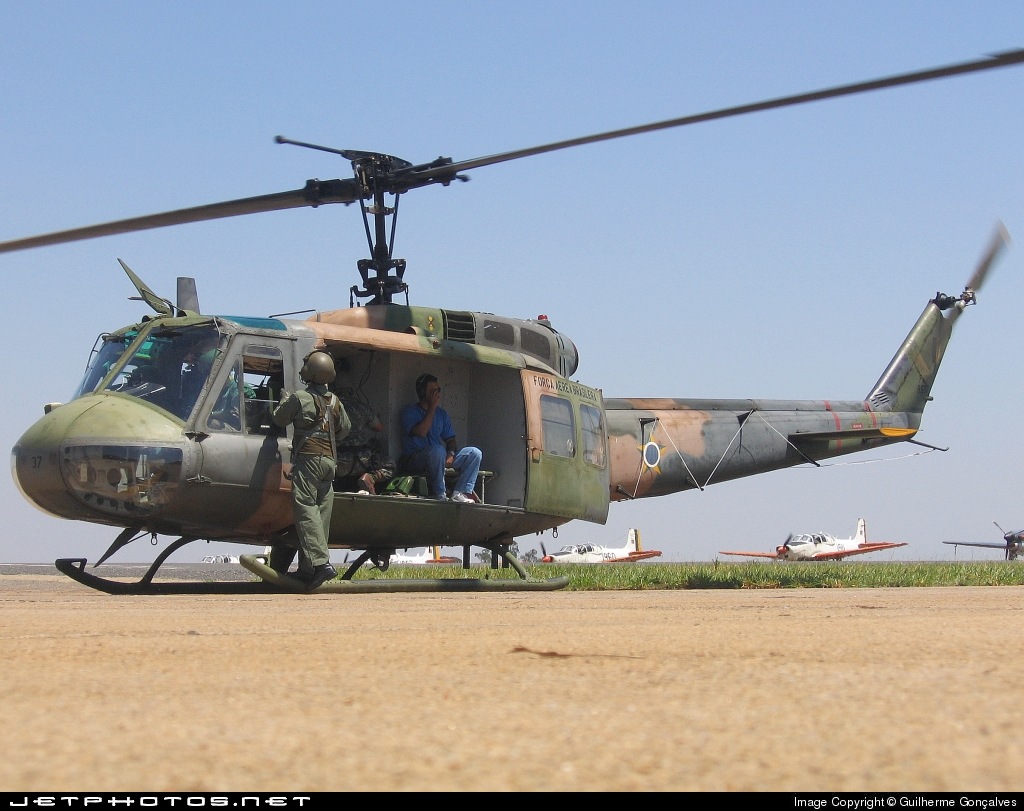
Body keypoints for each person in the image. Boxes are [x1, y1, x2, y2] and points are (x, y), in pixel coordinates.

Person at [272, 351, 351, 590]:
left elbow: (278, 419)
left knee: (305, 507)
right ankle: (308, 570)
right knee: (321, 514)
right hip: (329, 462)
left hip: (309, 460)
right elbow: (344, 429)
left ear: (311, 372)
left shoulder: (300, 397)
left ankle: (319, 563)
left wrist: (284, 401)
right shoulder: (335, 401)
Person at [400, 373, 482, 502]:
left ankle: (460, 492)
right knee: (437, 450)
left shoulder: (442, 414)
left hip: (439, 457)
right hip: (416, 459)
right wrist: (432, 406)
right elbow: (421, 432)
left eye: (438, 390)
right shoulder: (409, 411)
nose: (437, 394)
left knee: (474, 453)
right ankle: (440, 494)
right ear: (422, 393)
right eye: (433, 391)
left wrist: (451, 453)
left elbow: (450, 440)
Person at [334, 393, 396, 494]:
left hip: (336, 463)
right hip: (360, 461)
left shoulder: (328, 406)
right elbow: (379, 427)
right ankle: (371, 477)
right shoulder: (361, 406)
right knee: (390, 464)